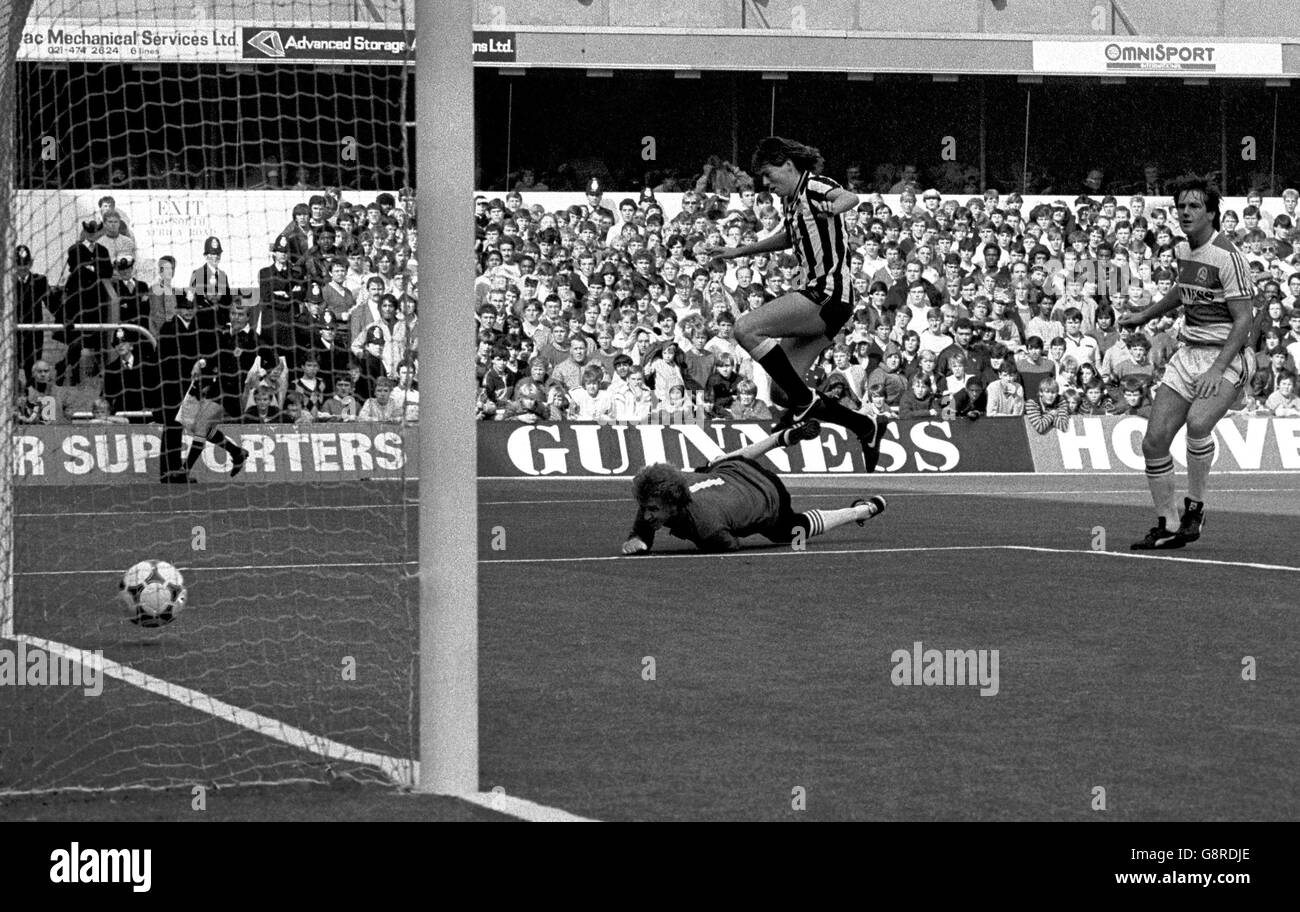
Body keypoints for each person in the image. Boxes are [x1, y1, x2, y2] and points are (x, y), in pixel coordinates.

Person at [705, 137, 884, 470]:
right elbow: (790, 236)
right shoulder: (791, 200)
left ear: (788, 165)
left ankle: (804, 404)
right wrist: (739, 251)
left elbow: (849, 196)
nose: (769, 186)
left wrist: (838, 206)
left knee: (745, 328)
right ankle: (865, 426)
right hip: (828, 303)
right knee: (782, 394)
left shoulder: (814, 185)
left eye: (771, 177)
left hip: (826, 293)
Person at [1118, 178, 1255, 550]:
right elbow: (1184, 290)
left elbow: (1244, 320)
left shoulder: (1228, 256)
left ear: (1212, 213)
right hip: (1188, 351)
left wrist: (1216, 370)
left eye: (1195, 207)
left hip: (1225, 356)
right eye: (1181, 207)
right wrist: (1145, 315)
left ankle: (1195, 506)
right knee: (1154, 442)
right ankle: (1168, 522)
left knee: (1198, 423)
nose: (1186, 213)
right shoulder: (1183, 249)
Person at [622, 421, 886, 555]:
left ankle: (861, 511)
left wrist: (688, 535)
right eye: (646, 510)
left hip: (768, 495)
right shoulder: (666, 491)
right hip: (734, 470)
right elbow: (647, 513)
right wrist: (639, 537)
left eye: (653, 511)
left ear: (673, 503)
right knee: (715, 463)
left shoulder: (706, 525)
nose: (647, 516)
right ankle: (779, 438)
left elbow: (728, 545)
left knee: (791, 533)